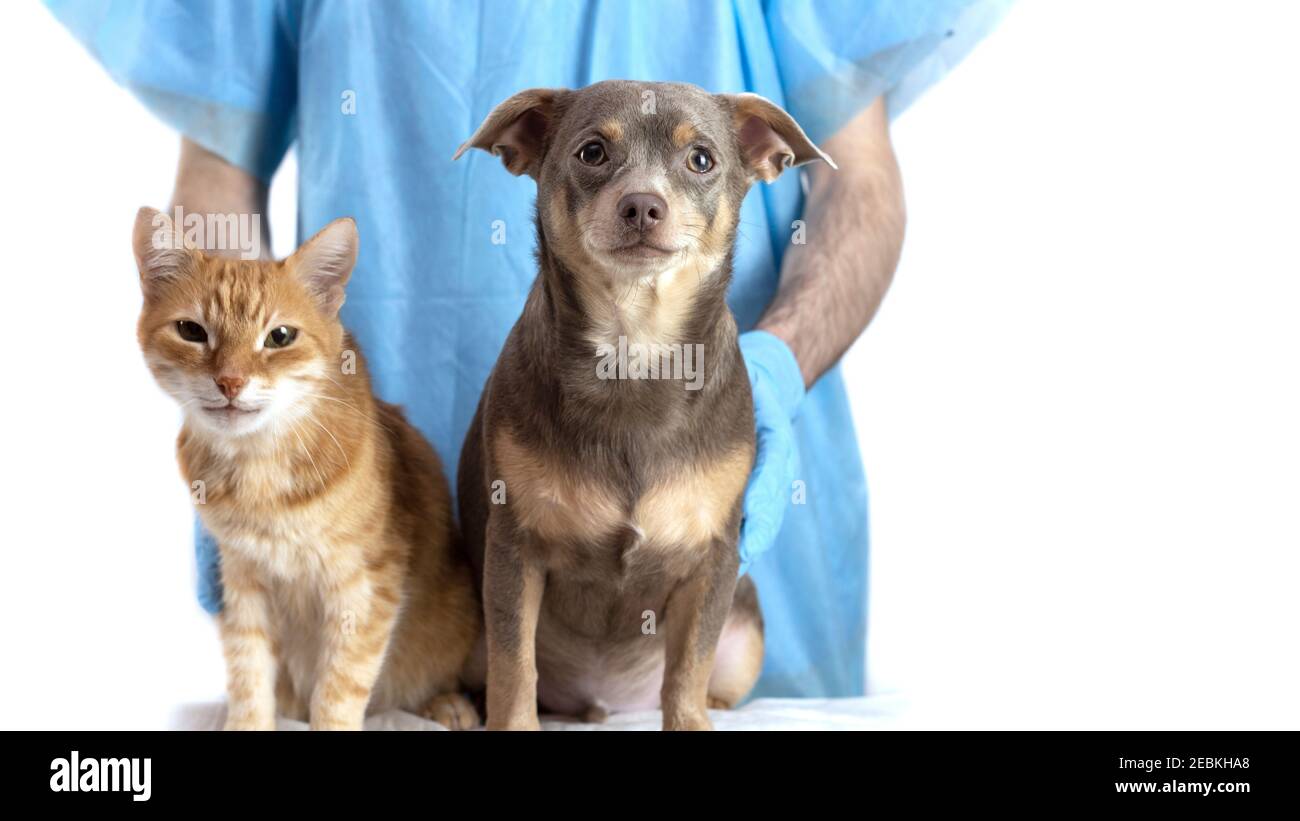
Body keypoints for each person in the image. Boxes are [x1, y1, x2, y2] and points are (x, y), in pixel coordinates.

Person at [48, 0, 1008, 699]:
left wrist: (780, 368)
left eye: (692, 162)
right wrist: (227, 375)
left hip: (726, 557)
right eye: (596, 158)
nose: (644, 196)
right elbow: (217, 173)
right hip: (404, 563)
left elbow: (858, 184)